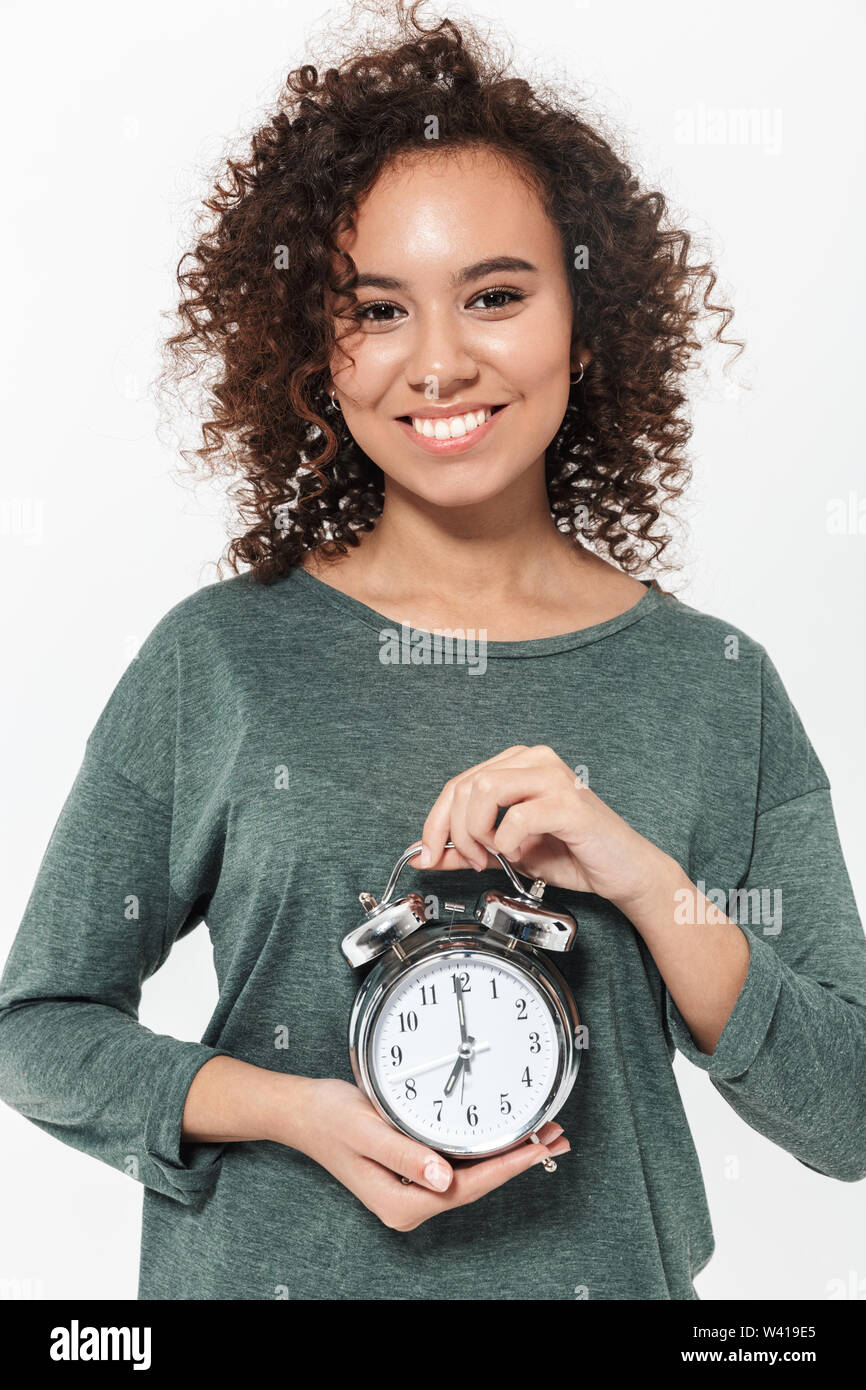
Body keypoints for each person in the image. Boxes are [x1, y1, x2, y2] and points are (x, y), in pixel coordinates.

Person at [1, 2, 864, 1301]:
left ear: (585, 319)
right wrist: (293, 1111)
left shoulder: (714, 687)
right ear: (316, 353)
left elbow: (845, 1108)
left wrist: (639, 872)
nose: (441, 363)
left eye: (497, 295)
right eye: (377, 309)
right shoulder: (218, 661)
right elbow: (40, 1027)